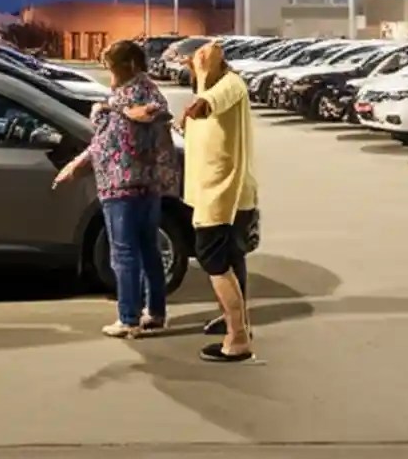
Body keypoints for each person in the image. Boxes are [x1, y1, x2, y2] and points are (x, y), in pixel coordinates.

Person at [55, 40, 177, 338]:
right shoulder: (150, 93)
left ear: (129, 67)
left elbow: (106, 145)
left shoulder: (125, 99)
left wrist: (77, 163)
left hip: (120, 185)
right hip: (148, 185)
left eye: (111, 69)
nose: (109, 77)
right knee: (149, 249)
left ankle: (128, 318)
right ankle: (156, 312)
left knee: (123, 254)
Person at [180, 41, 258, 363]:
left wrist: (202, 75)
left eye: (195, 66)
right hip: (219, 194)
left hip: (223, 196)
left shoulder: (229, 85)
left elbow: (205, 105)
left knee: (214, 262)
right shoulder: (217, 86)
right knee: (230, 259)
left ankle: (237, 338)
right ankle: (236, 323)